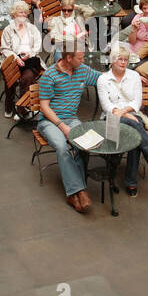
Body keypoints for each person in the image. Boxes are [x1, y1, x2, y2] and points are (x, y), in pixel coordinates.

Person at [97, 44, 148, 195]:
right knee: (135, 126)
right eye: (120, 59)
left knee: (135, 135)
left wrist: (125, 112)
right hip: (110, 120)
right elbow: (107, 106)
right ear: (112, 61)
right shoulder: (103, 79)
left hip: (130, 116)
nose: (123, 62)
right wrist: (127, 115)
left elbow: (136, 102)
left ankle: (133, 180)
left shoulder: (134, 76)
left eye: (126, 60)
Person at [37, 46, 102, 213]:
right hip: (49, 122)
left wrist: (130, 76)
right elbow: (44, 107)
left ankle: (76, 191)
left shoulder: (82, 70)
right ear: (68, 58)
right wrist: (62, 126)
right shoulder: (49, 76)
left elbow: (103, 79)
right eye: (80, 58)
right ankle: (78, 191)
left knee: (85, 143)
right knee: (62, 146)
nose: (83, 61)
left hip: (72, 119)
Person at [0, 2, 43, 117]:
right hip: (13, 60)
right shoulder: (8, 30)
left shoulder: (32, 28)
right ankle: (9, 105)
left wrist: (30, 53)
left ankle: (22, 109)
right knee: (10, 76)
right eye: (20, 12)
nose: (23, 15)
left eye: (25, 12)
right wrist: (15, 57)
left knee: (26, 78)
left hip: (31, 60)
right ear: (14, 15)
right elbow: (4, 48)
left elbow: (38, 45)